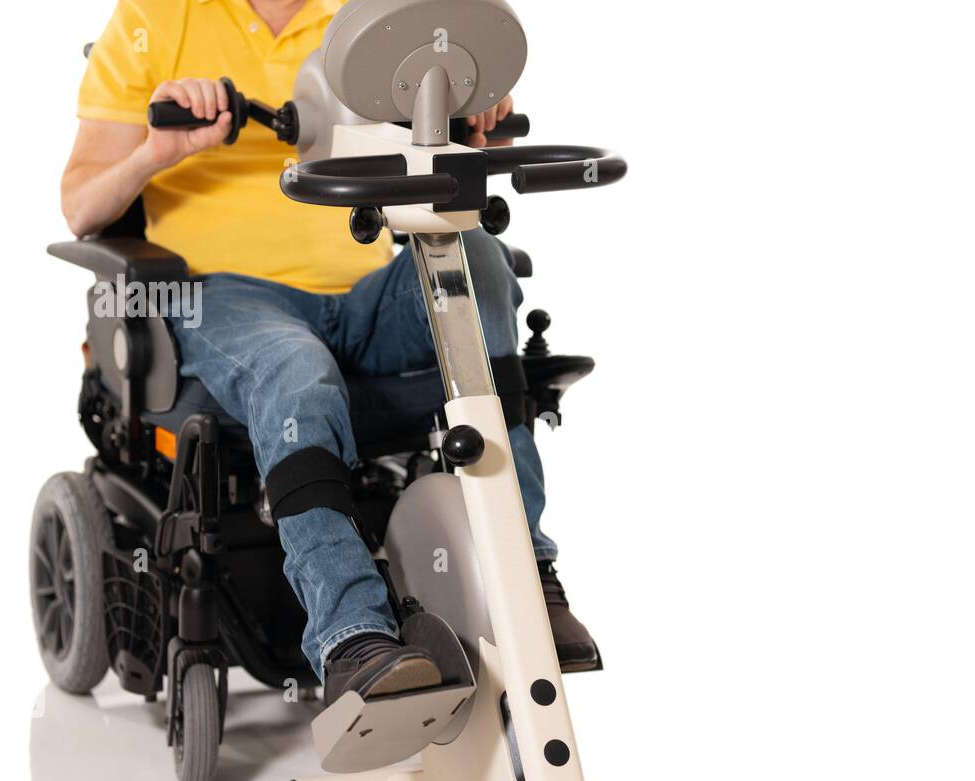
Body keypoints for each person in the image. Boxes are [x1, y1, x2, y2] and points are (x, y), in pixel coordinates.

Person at [61, 0, 597, 704]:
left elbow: (434, 158)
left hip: (364, 296)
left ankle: (529, 574)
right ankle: (350, 635)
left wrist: (470, 122)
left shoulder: (368, 18)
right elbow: (82, 206)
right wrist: (157, 153)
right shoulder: (155, 18)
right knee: (295, 365)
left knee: (480, 261)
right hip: (227, 299)